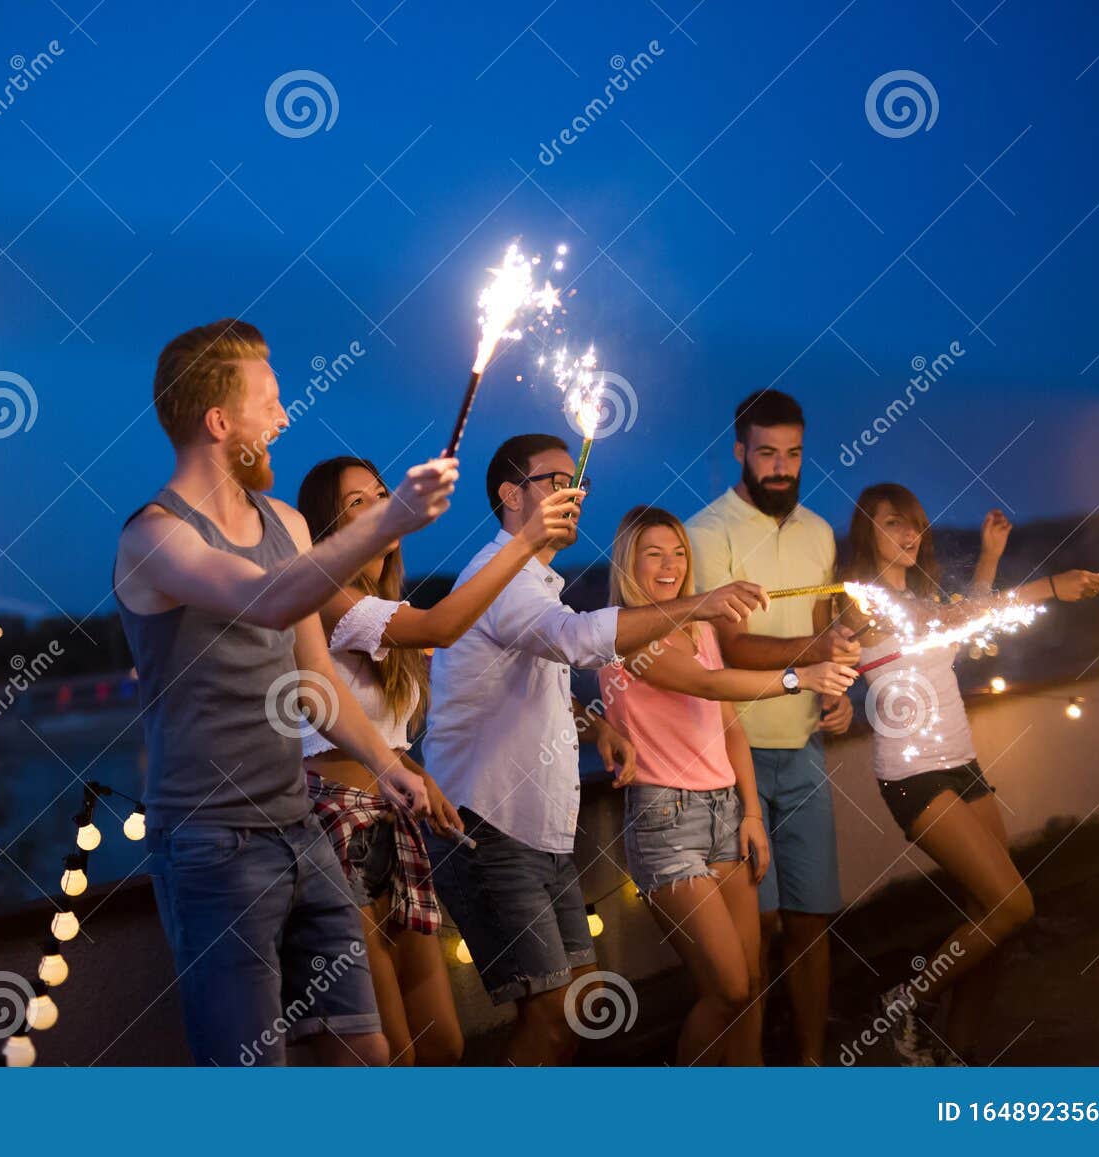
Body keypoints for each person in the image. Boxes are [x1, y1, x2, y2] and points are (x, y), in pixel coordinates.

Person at [113, 319, 458, 1067]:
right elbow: (265, 599)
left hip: (301, 828)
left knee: (361, 1052)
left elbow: (311, 678)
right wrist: (391, 517)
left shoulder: (290, 524)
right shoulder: (153, 538)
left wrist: (388, 763)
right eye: (268, 401)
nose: (283, 417)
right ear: (219, 422)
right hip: (212, 845)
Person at [423, 433, 769, 1065]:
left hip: (543, 834)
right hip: (490, 828)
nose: (573, 492)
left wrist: (596, 725)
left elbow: (539, 677)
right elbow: (580, 641)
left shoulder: (533, 582)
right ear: (509, 494)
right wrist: (706, 606)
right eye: (556, 481)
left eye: (575, 482)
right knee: (549, 1020)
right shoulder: (500, 582)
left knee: (571, 1017)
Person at [294, 454, 582, 1066]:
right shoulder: (325, 598)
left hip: (398, 825)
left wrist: (426, 782)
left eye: (380, 493)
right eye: (357, 502)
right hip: (337, 828)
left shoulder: (380, 607)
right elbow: (444, 626)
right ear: (328, 526)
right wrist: (524, 541)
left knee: (441, 1043)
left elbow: (389, 743)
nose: (378, 506)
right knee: (386, 1053)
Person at [839, 484, 1099, 1065]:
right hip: (914, 777)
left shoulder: (925, 600)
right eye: (893, 524)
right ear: (868, 534)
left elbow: (961, 622)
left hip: (963, 766)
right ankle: (903, 1001)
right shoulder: (860, 610)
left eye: (915, 524)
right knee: (1014, 905)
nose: (910, 534)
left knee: (989, 921)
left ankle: (952, 1058)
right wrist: (1051, 587)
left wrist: (987, 556)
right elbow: (961, 618)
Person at [603, 506, 859, 1065]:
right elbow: (707, 681)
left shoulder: (698, 627)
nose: (670, 564)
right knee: (729, 989)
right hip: (665, 821)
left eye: (678, 553)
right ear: (629, 562)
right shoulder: (622, 633)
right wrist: (800, 676)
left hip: (725, 811)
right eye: (654, 553)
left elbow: (727, 720)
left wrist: (750, 813)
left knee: (753, 981)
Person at [685, 388, 859, 1066]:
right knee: (756, 930)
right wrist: (816, 656)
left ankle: (812, 1065)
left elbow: (821, 632)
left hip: (805, 746)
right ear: (739, 451)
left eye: (792, 454)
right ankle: (752, 1080)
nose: (782, 467)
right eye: (767, 453)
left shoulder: (819, 531)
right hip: (735, 757)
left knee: (813, 921)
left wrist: (840, 691)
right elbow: (727, 649)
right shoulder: (707, 532)